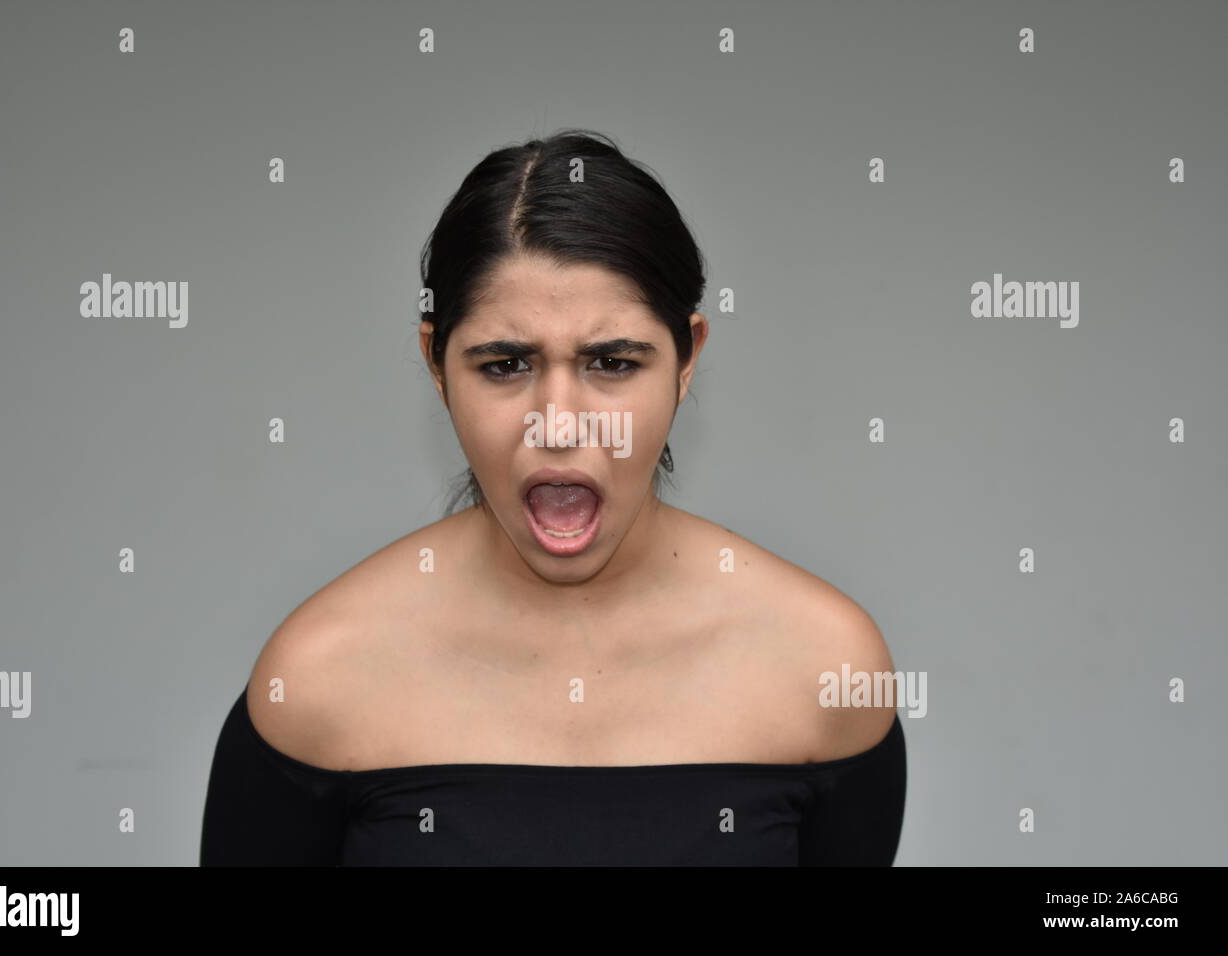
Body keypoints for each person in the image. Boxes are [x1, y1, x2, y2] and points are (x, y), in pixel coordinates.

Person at [200, 128, 906, 866]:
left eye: (613, 361)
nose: (560, 423)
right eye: (505, 364)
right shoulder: (317, 675)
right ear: (436, 365)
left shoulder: (826, 666)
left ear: (687, 357)